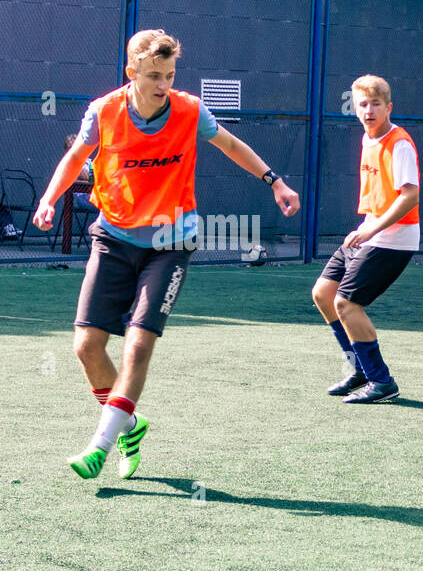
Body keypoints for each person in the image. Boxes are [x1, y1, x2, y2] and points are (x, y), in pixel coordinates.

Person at [33, 29, 300, 480]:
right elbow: (76, 157)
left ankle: (100, 445)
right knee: (86, 346)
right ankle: (130, 426)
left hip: (171, 242)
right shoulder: (103, 111)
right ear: (131, 72)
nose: (163, 84)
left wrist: (274, 180)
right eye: (154, 75)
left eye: (170, 75)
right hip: (114, 236)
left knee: (137, 344)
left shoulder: (191, 110)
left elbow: (231, 145)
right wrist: (49, 198)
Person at [311, 75, 419, 403]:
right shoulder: (367, 139)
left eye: (376, 104)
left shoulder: (398, 141)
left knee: (347, 303)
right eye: (363, 104)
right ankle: (359, 368)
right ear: (354, 108)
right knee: (323, 293)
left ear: (389, 107)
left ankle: (381, 381)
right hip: (370, 232)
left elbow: (410, 196)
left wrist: (371, 229)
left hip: (394, 239)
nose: (369, 110)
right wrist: (366, 225)